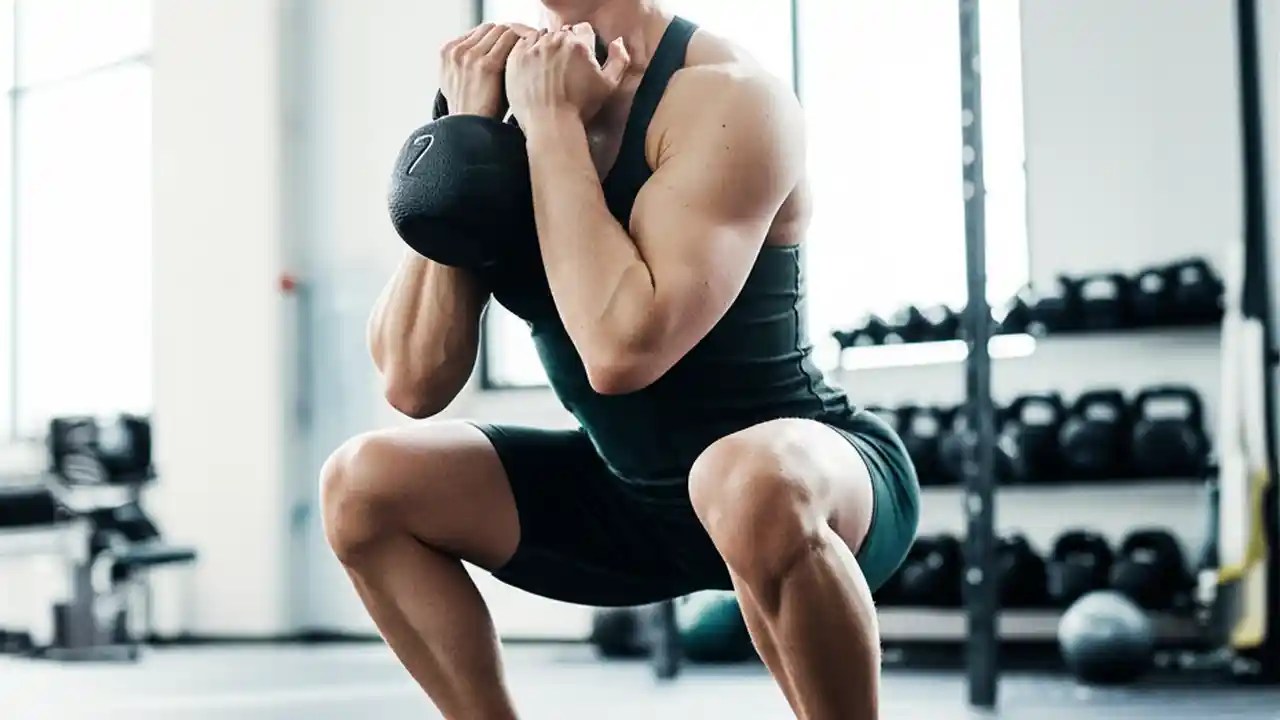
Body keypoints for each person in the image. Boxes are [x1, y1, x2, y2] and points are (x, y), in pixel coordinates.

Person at [321, 1, 920, 718]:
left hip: (802, 486)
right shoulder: (516, 101)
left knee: (742, 479)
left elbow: (622, 352)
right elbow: (413, 380)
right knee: (363, 485)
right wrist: (465, 138)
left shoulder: (729, 98)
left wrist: (552, 129)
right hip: (631, 497)